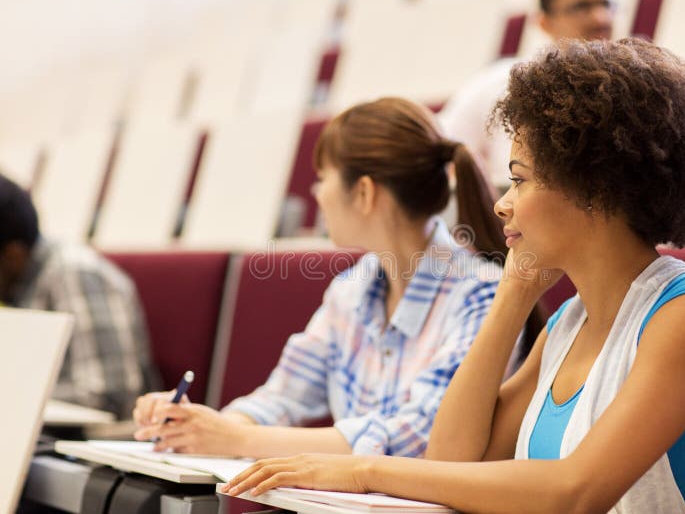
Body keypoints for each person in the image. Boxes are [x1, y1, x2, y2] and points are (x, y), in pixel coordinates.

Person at [223, 39, 685, 513]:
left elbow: (575, 492)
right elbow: (452, 457)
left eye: (520, 180)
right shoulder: (569, 323)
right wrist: (512, 297)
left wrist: (365, 470)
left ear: (595, 187)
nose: (502, 207)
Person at [132, 97, 523, 459]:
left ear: (365, 193)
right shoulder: (350, 289)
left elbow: (422, 435)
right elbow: (281, 398)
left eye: (324, 177)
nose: (316, 194)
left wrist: (238, 439)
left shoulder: (480, 295)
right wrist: (198, 426)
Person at [0, 172, 158, 418]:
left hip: (97, 443)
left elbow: (109, 395)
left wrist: (14, 396)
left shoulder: (74, 272)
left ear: (12, 254)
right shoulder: (17, 283)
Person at [438, 0, 616, 184]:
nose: (601, 18)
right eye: (581, 7)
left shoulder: (633, 91)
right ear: (544, 22)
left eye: (606, 5)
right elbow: (439, 154)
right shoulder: (499, 81)